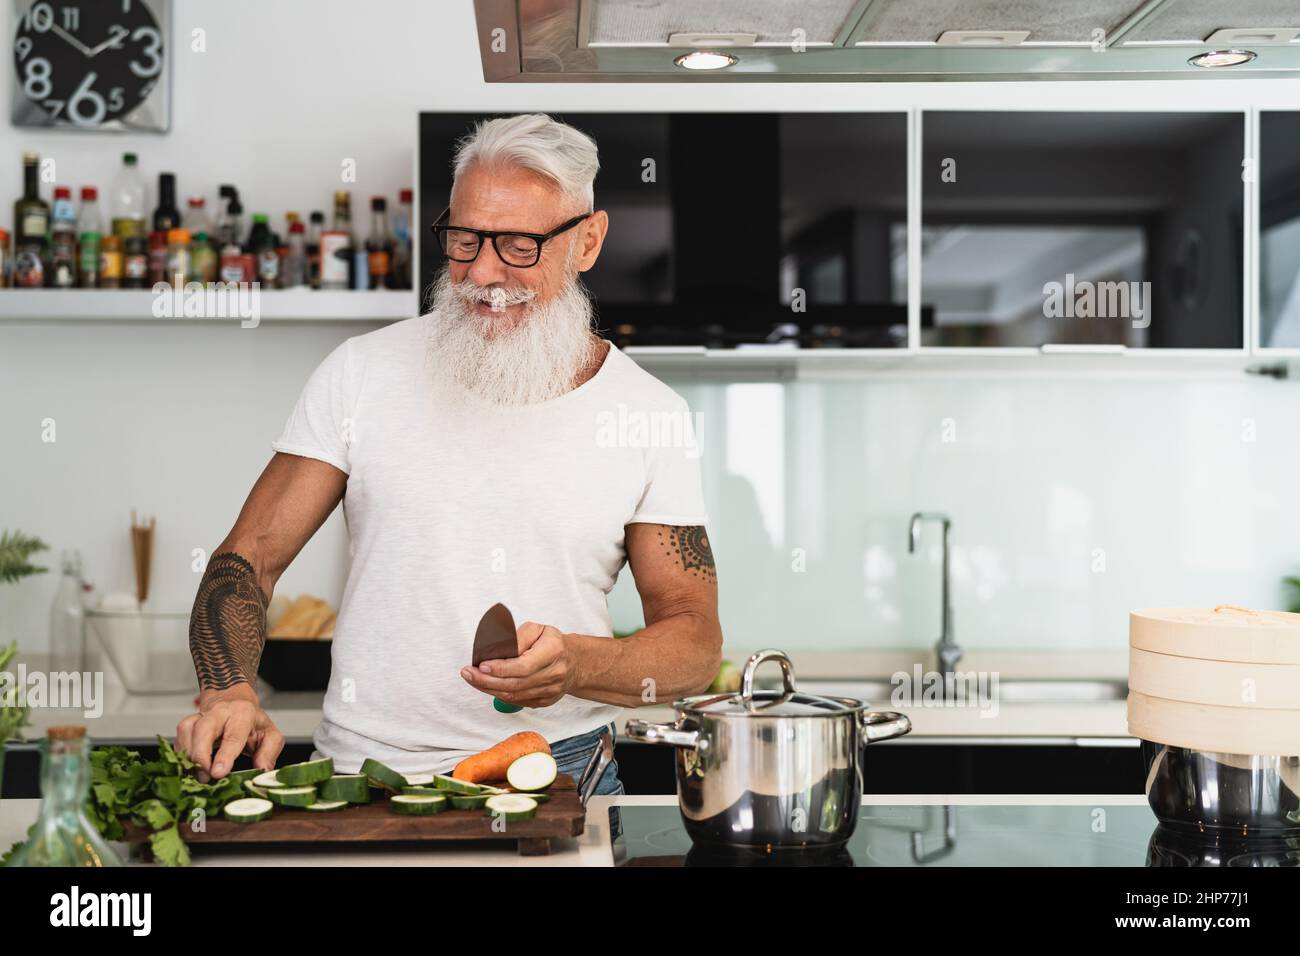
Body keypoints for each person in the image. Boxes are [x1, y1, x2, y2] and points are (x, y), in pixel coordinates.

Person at [176, 113, 722, 795]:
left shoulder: (649, 414)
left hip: (558, 772)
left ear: (587, 241)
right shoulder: (360, 374)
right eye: (465, 239)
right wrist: (227, 690)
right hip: (367, 777)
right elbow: (248, 558)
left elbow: (694, 641)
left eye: (520, 244)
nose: (483, 272)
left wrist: (578, 665)